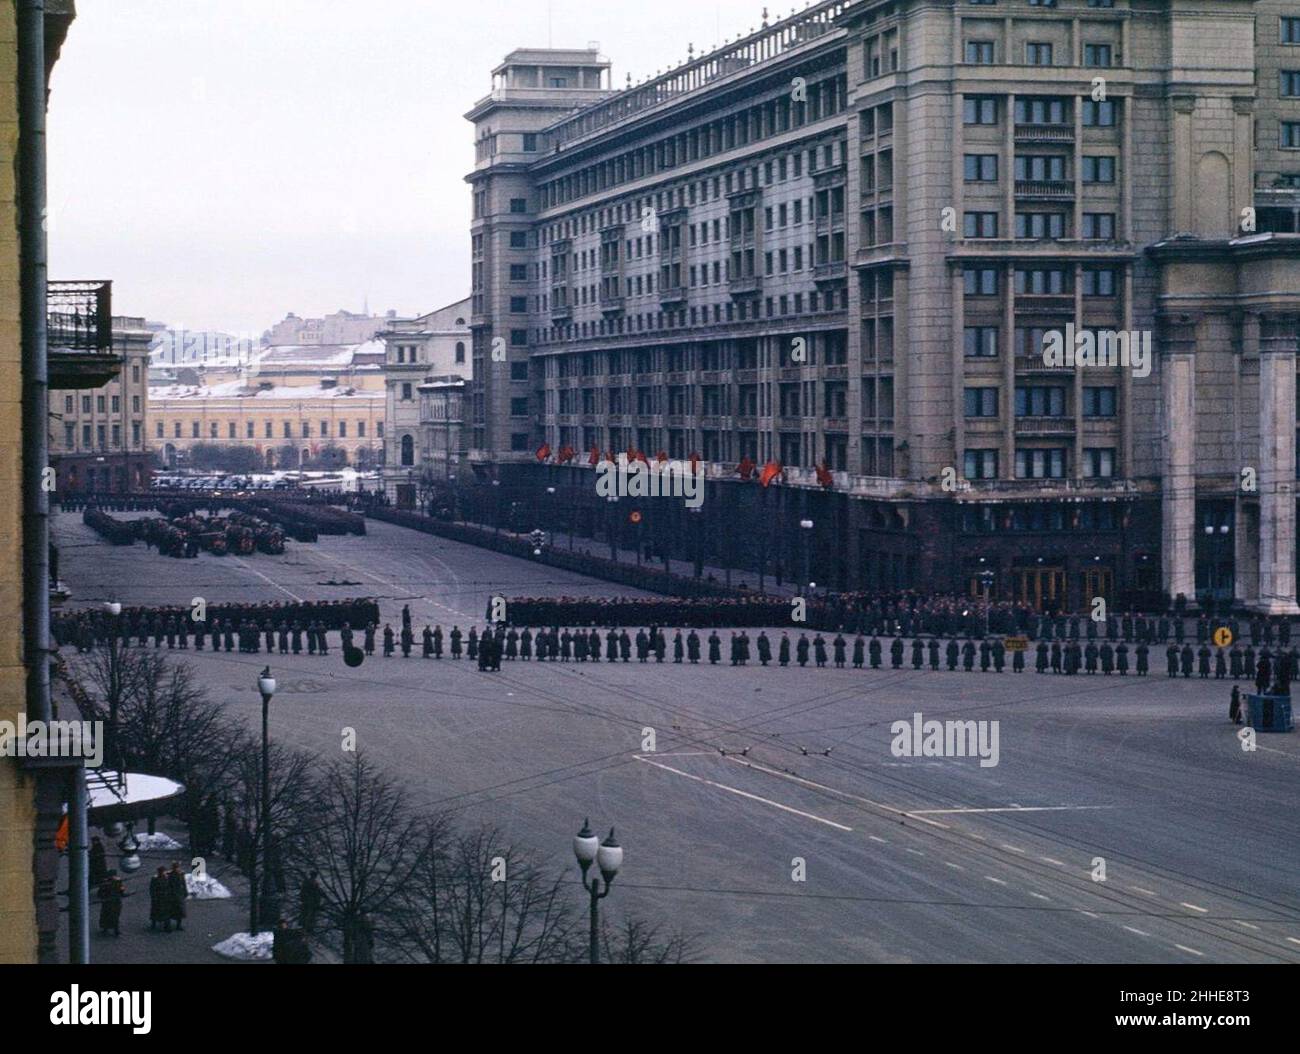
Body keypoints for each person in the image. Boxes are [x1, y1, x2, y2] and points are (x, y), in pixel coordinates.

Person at [98, 871, 125, 938]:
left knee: (115, 916)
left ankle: (116, 930)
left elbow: (121, 889)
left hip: (115, 901)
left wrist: (122, 892)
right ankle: (105, 928)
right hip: (108, 902)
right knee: (106, 915)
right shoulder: (105, 882)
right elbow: (101, 891)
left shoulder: (118, 881)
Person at [149, 866, 172, 933]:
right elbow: (152, 889)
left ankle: (167, 926)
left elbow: (169, 887)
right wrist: (154, 897)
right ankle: (153, 924)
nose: (164, 873)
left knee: (166, 912)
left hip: (165, 897)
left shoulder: (167, 878)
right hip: (158, 897)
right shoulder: (155, 879)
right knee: (155, 911)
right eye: (162, 871)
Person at [167, 861, 188, 931]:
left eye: (178, 867)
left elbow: (183, 884)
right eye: (176, 867)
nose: (177, 869)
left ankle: (178, 925)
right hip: (172, 894)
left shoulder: (181, 874)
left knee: (180, 910)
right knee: (170, 910)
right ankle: (168, 925)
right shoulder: (170, 875)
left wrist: (185, 892)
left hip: (179, 894)